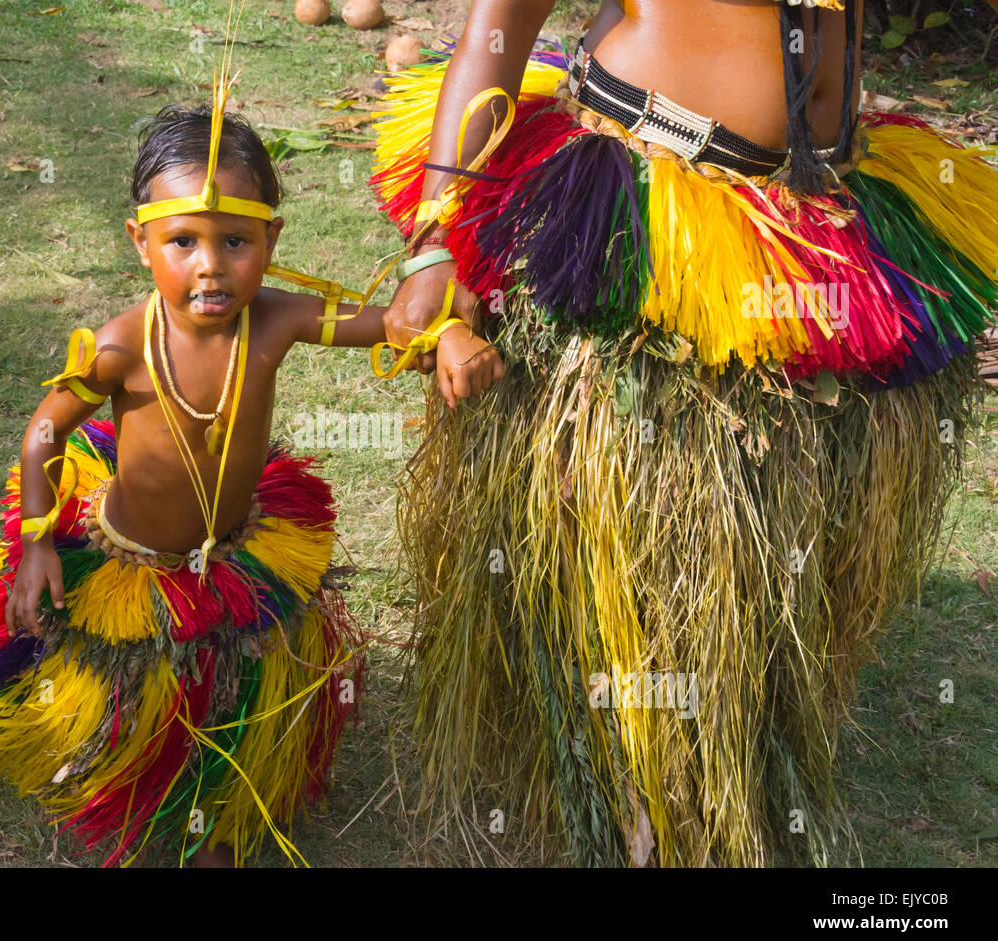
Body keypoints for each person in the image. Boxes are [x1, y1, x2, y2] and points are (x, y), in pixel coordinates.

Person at [370, 0, 997, 865]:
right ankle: (651, 815)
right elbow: (499, 20)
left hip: (813, 216)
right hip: (650, 214)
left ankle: (735, 753)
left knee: (771, 557)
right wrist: (433, 247)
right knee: (650, 558)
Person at [0, 101, 502, 868]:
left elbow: (384, 325)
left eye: (235, 241)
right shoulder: (120, 347)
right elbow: (45, 431)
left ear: (272, 240)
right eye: (182, 241)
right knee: (145, 685)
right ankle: (143, 789)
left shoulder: (274, 321)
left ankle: (215, 809)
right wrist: (40, 539)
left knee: (225, 679)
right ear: (140, 242)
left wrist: (445, 332)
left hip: (233, 550)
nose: (211, 265)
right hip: (136, 558)